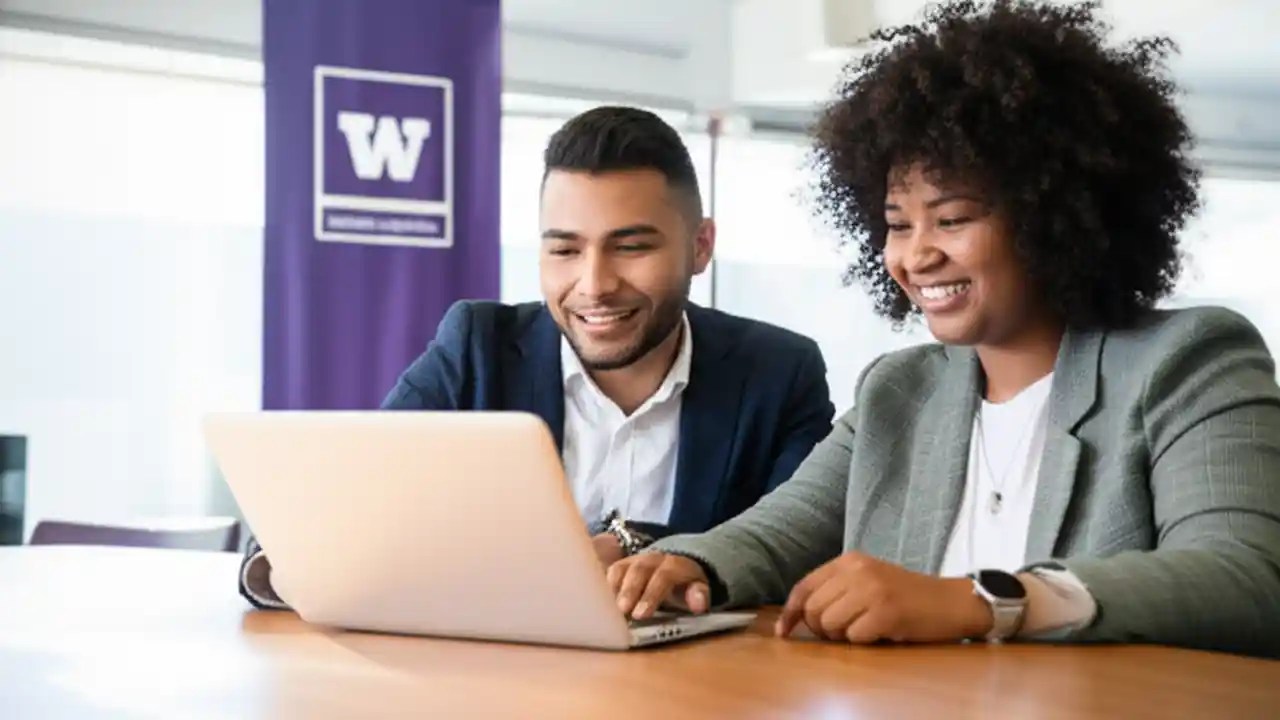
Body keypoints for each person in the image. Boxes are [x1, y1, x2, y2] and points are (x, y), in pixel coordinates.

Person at [608, 0, 1280, 658]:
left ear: (1055, 216)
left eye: (952, 219)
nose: (916, 254)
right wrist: (683, 566)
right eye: (899, 224)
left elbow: (1246, 580)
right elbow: (776, 533)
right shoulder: (899, 390)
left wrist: (976, 601)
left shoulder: (1188, 361)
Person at [239, 106, 836, 609]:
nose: (594, 284)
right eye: (565, 249)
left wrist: (639, 546)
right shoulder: (477, 346)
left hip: (700, 686)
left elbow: (800, 550)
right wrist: (294, 558)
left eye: (630, 248)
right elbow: (336, 502)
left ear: (700, 246)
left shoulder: (777, 372)